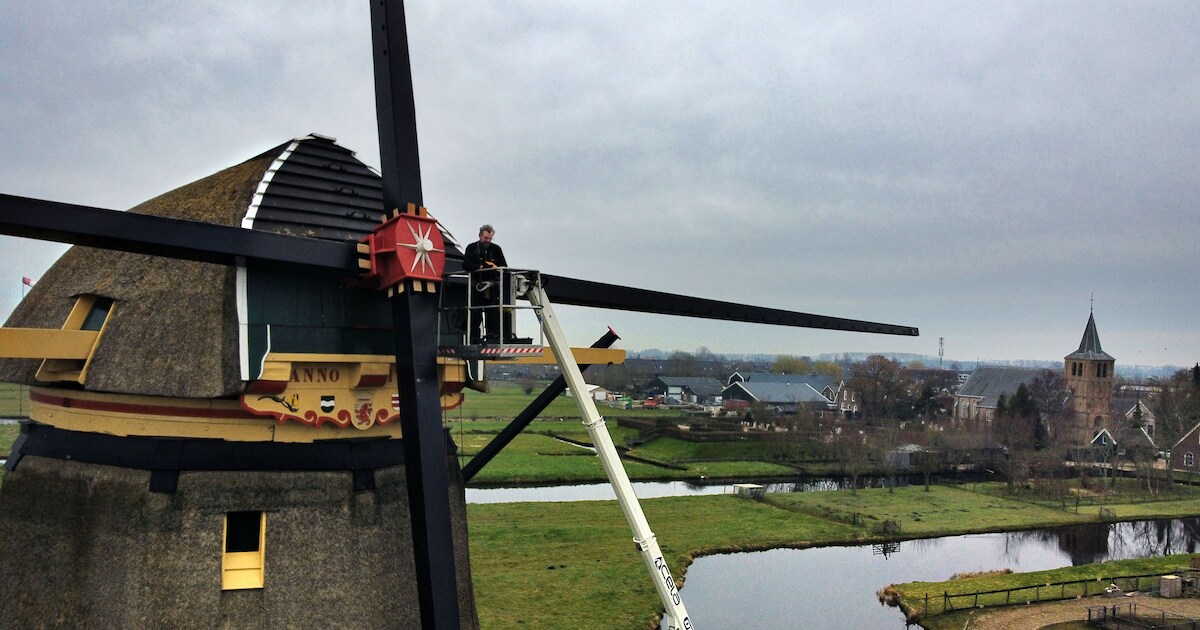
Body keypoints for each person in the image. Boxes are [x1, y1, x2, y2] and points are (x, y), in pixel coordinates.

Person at [462, 224, 511, 342]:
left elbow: (504, 267)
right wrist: (480, 267)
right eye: (485, 238)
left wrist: (494, 267)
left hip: (492, 287)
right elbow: (465, 265)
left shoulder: (496, 249)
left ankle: (492, 337)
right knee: (474, 314)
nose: (487, 241)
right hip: (476, 286)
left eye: (490, 238)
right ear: (480, 236)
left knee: (493, 313)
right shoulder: (471, 248)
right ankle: (474, 339)